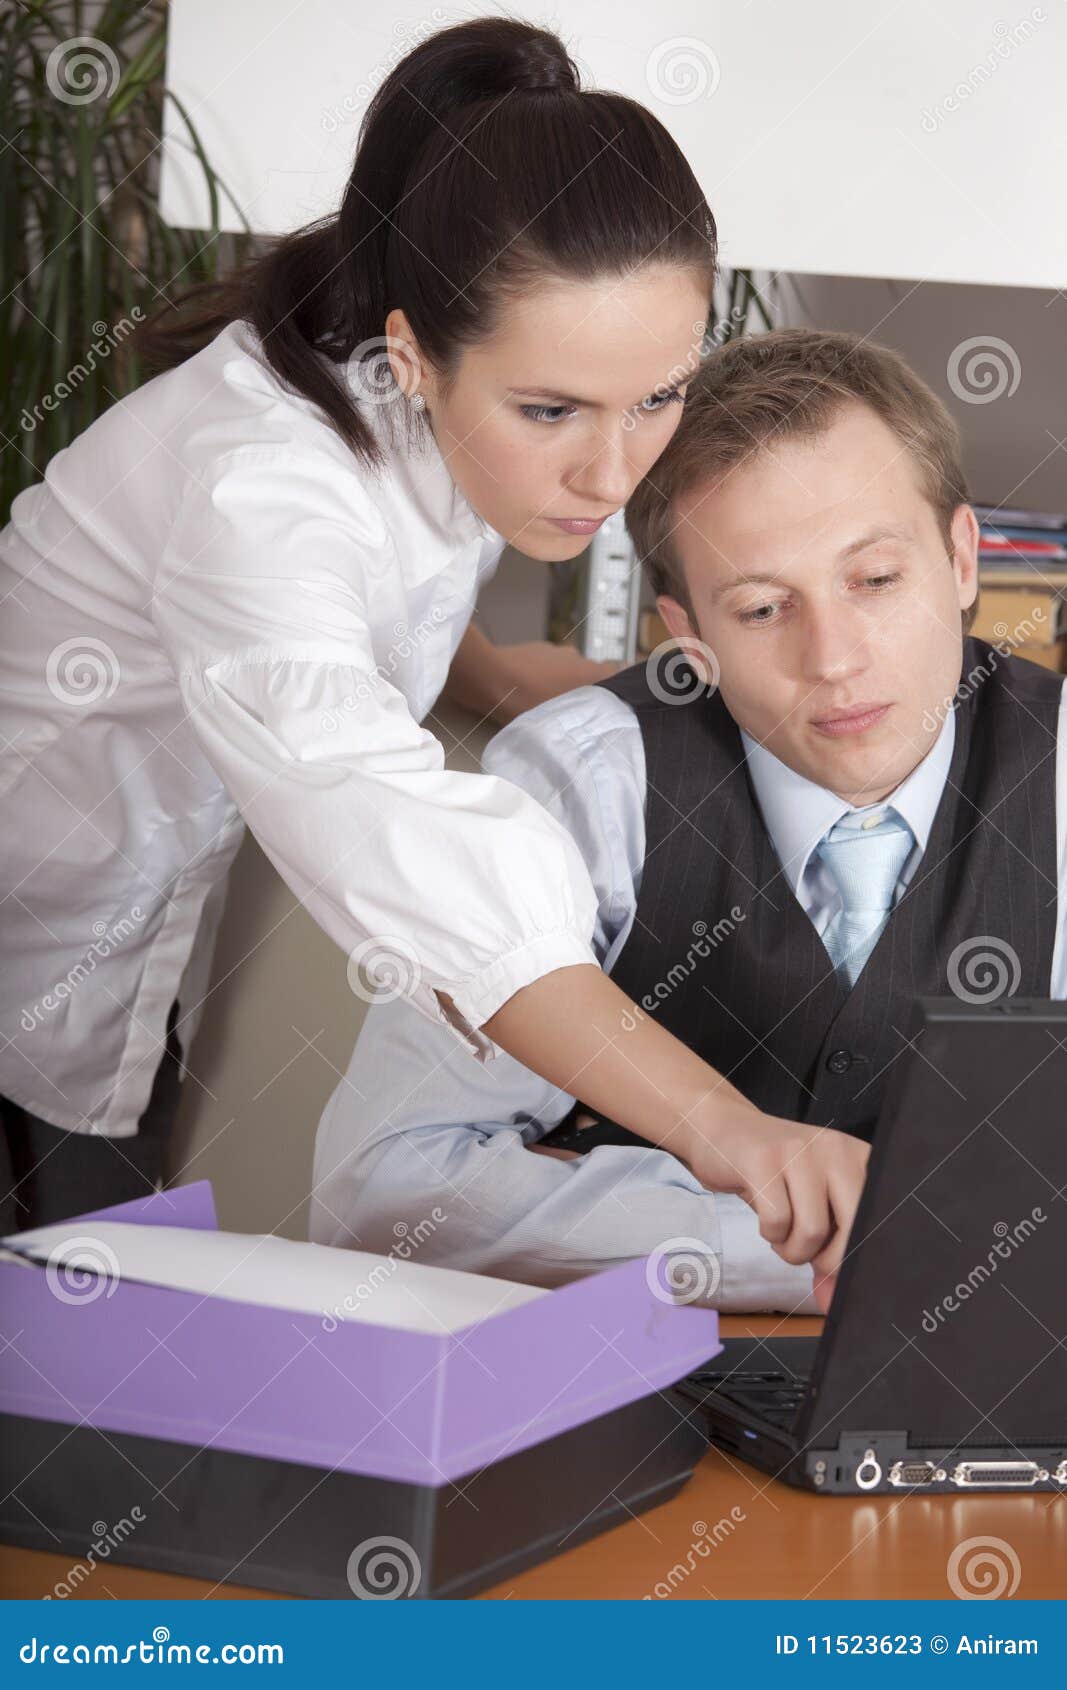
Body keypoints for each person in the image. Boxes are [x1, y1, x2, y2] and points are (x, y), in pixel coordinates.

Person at [0, 17, 866, 1273]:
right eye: (552, 410)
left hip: (119, 935)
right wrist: (733, 1134)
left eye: (658, 396)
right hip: (32, 915)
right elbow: (398, 837)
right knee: (64, 1388)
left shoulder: (415, 383)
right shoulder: (256, 490)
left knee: (82, 1344)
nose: (612, 470)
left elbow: (397, 563)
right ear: (412, 354)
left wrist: (494, 673)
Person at [308, 328, 1067, 1313]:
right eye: (759, 608)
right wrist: (828, 1247)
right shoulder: (582, 782)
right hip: (628, 1396)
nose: (831, 658)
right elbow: (381, 1193)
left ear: (960, 559)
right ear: (689, 637)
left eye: (873, 582)